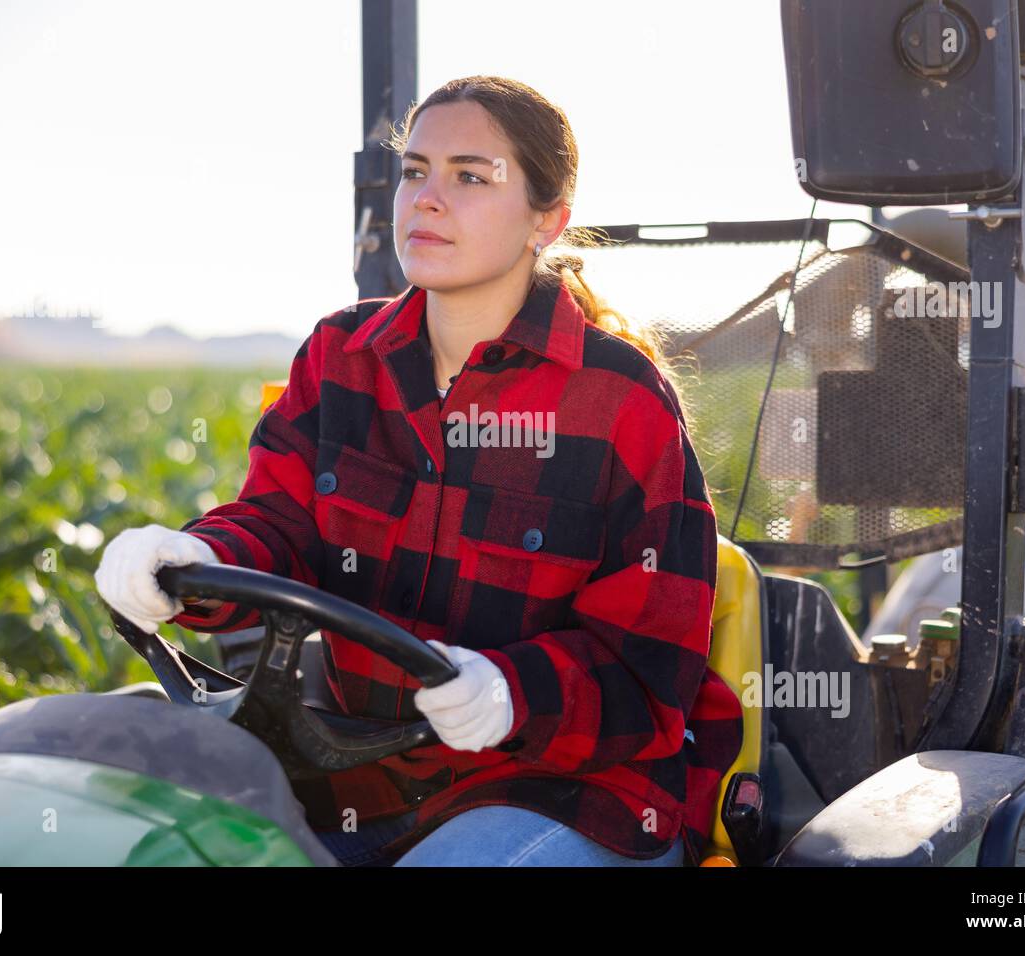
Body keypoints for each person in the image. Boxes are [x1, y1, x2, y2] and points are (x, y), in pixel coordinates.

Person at [95, 75, 742, 867]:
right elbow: (279, 523)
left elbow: (652, 678)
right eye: (415, 170)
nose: (427, 199)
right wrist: (199, 558)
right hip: (349, 775)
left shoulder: (622, 401)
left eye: (471, 176)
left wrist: (511, 693)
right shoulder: (341, 356)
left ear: (548, 220)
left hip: (562, 791)